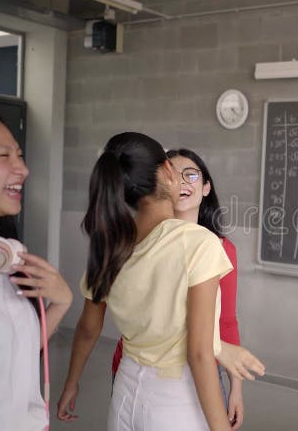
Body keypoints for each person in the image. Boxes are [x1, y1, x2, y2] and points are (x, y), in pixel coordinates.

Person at [55, 132, 236, 431]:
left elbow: (88, 328)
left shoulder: (110, 245)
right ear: (167, 171)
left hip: (125, 394)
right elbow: (200, 353)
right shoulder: (200, 243)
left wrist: (72, 383)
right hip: (177, 401)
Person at [108, 148, 248, 429]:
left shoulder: (219, 248)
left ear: (206, 187)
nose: (183, 182)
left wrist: (236, 386)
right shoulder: (132, 241)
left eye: (192, 175)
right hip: (133, 368)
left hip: (196, 371)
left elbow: (225, 323)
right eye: (174, 174)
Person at [0, 103, 73, 430]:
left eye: (20, 155)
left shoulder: (5, 257)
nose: (23, 169)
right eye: (3, 156)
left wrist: (61, 302)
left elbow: (12, 353)